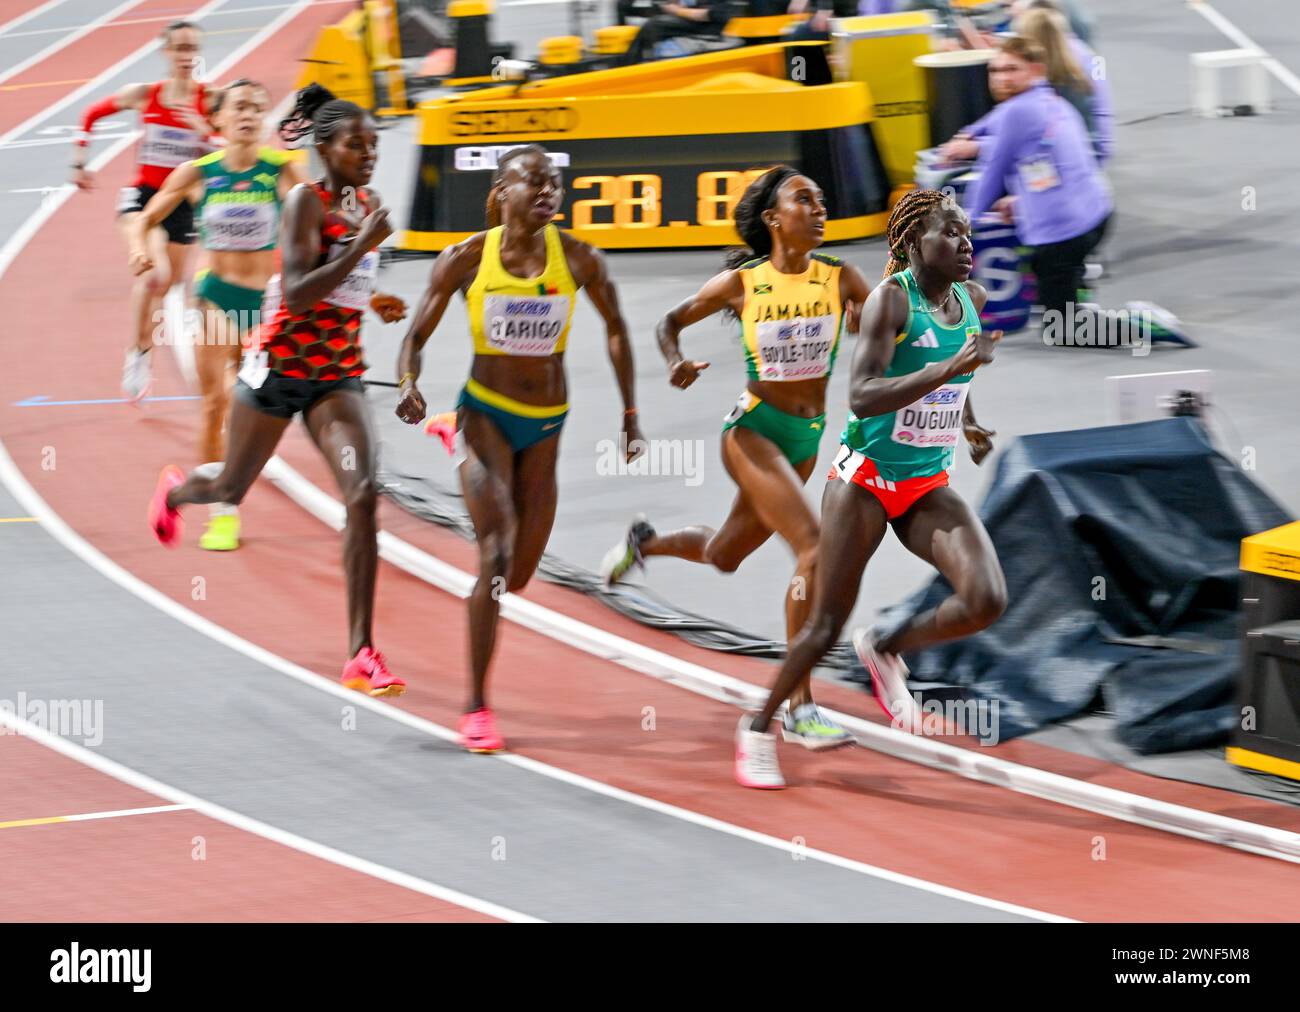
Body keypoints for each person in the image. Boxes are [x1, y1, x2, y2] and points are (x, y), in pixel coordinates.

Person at [734, 189, 1006, 789]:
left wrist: (967, 421)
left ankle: (885, 647)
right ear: (914, 244)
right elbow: (862, 395)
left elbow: (950, 381)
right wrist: (949, 370)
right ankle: (757, 727)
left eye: (966, 234)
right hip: (864, 481)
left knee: (985, 598)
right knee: (824, 624)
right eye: (951, 235)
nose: (966, 245)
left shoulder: (971, 300)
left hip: (925, 481)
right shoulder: (890, 301)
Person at [146, 83, 410, 697]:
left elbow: (340, 286)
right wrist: (366, 247)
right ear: (326, 147)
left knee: (364, 494)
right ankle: (180, 491)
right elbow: (295, 293)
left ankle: (361, 652)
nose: (369, 154)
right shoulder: (303, 202)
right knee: (230, 486)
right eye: (356, 144)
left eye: (374, 145)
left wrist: (375, 295)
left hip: (336, 379)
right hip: (278, 370)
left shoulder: (365, 202)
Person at [601, 166, 871, 750]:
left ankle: (643, 543)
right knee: (815, 547)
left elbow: (890, 329)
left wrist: (868, 323)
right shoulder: (744, 282)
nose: (820, 209)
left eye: (823, 200)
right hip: (751, 431)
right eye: (806, 200)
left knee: (725, 554)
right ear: (774, 219)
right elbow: (668, 323)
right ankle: (799, 706)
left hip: (805, 440)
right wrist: (675, 360)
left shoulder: (841, 276)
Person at [393, 144, 643, 754]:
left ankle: (452, 433)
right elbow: (415, 335)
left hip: (547, 425)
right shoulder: (466, 259)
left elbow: (615, 327)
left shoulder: (579, 258)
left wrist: (630, 412)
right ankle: (477, 706)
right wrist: (408, 382)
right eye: (533, 184)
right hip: (488, 415)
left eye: (553, 185)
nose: (547, 194)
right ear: (501, 193)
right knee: (496, 554)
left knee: (522, 574)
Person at [129, 79, 308, 551]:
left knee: (267, 407)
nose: (249, 114)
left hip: (268, 306)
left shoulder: (282, 171)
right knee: (214, 406)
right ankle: (222, 514)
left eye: (257, 107)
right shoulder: (198, 173)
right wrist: (139, 250)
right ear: (220, 121)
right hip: (216, 298)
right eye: (239, 108)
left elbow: (322, 224)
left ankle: (216, 478)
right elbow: (146, 219)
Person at [73, 20, 212, 402]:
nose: (185, 56)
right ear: (166, 52)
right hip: (144, 197)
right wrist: (79, 161)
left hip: (182, 203)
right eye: (179, 48)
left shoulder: (209, 100)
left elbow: (231, 144)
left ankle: (141, 348)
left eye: (191, 48)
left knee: (171, 285)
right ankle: (138, 354)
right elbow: (91, 114)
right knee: (155, 276)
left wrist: (203, 131)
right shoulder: (144, 94)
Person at [962, 36, 1111, 337]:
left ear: (1036, 70)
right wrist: (1020, 203)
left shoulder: (1017, 111)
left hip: (1064, 232)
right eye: (995, 71)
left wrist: (966, 225)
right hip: (1095, 214)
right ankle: (1075, 288)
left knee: (1063, 330)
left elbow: (992, 172)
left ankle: (1142, 328)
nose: (1002, 78)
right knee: (1052, 291)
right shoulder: (1049, 101)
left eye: (1012, 69)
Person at [620, 0, 732, 64]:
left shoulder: (720, 5)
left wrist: (677, 10)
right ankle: (632, 61)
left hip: (706, 27)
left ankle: (636, 64)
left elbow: (708, 15)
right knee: (623, 5)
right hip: (693, 21)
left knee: (654, 25)